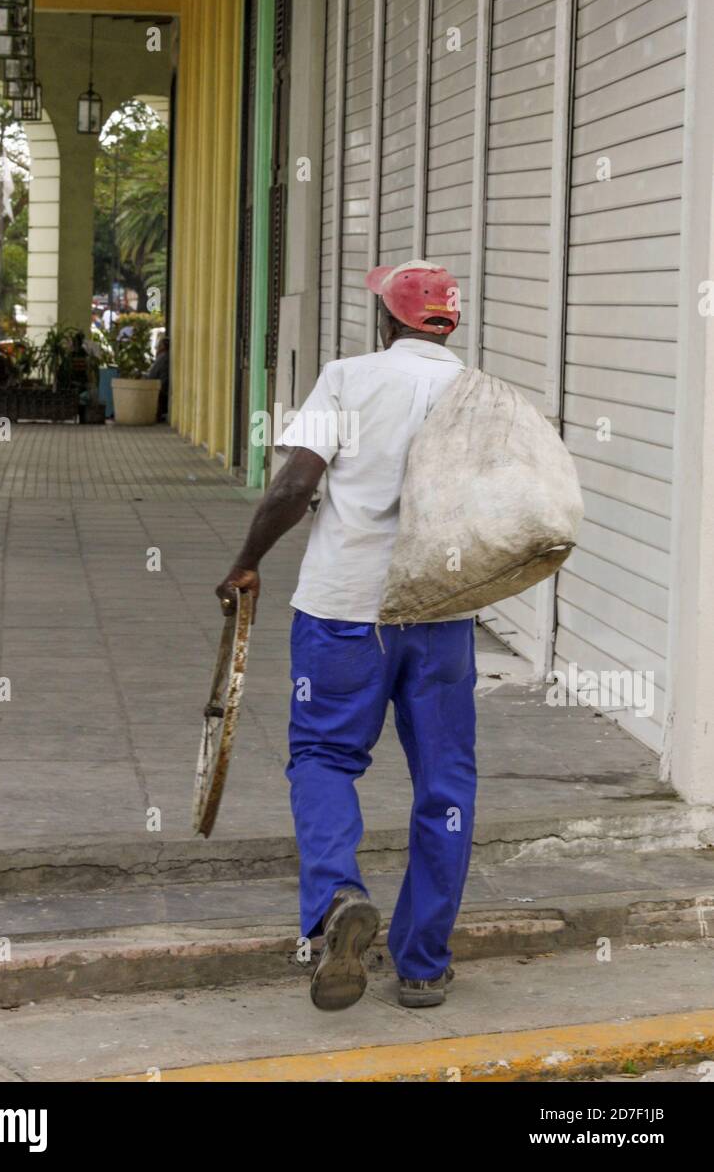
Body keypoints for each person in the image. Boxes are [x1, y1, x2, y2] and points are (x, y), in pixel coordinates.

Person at [215, 260, 476, 1013]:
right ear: (448, 323)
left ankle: (337, 900)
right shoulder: (476, 392)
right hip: (442, 614)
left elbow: (297, 484)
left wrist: (245, 562)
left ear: (386, 321)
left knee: (324, 759)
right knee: (446, 785)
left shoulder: (350, 378)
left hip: (341, 609)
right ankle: (423, 965)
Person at [146, 335, 169, 420]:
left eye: (159, 345)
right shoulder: (166, 356)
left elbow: (152, 375)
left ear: (162, 347)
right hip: (164, 387)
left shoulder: (162, 357)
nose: (157, 348)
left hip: (161, 389)